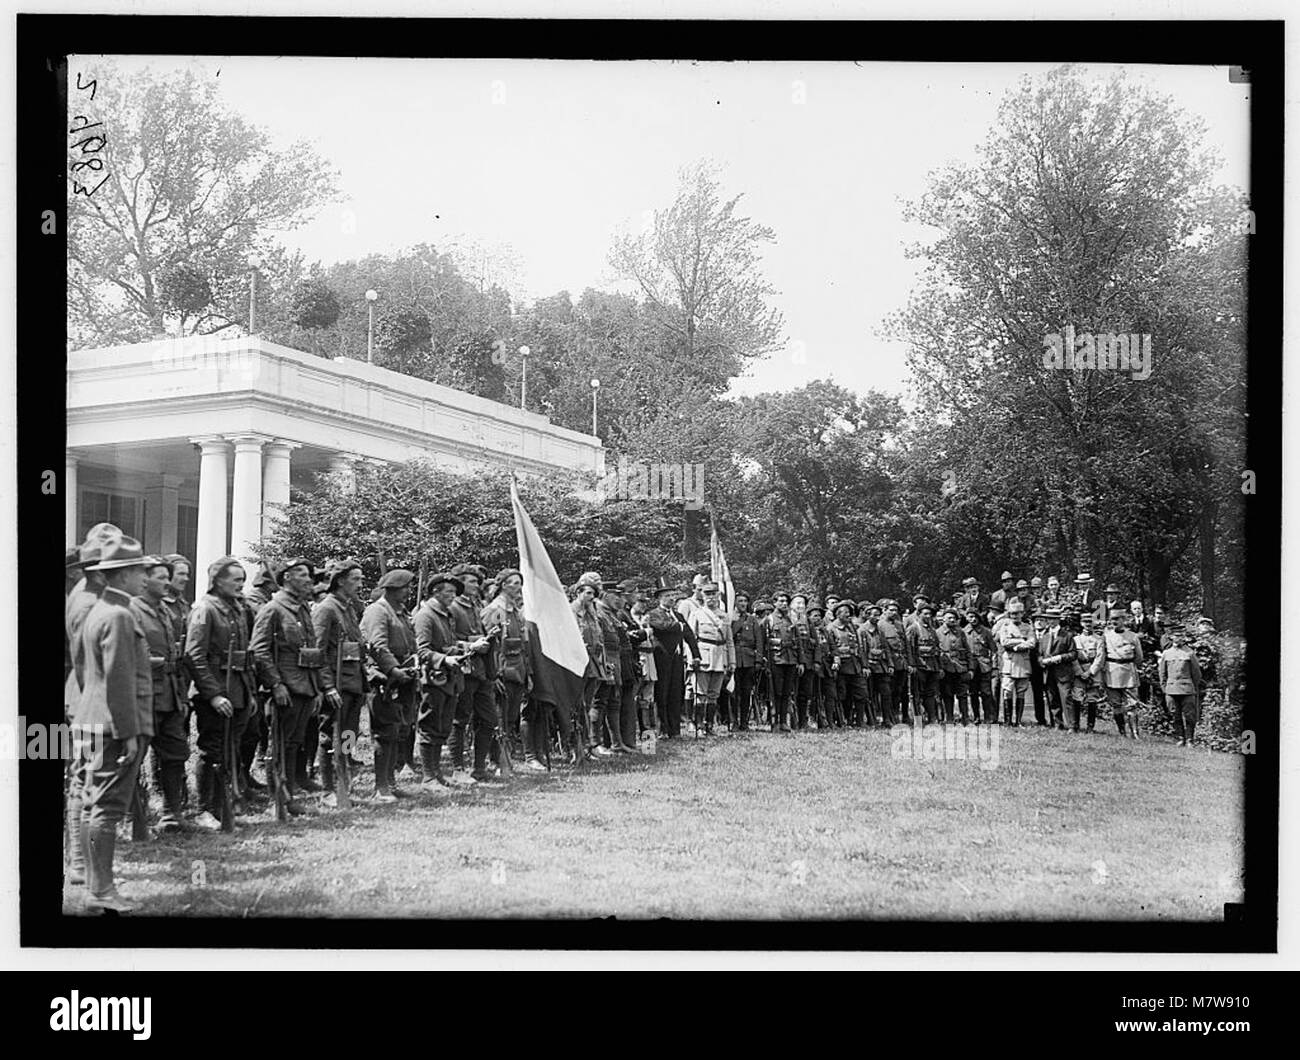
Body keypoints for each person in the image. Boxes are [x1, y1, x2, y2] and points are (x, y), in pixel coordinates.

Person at [73, 535, 157, 913]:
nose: (145, 575)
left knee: (94, 806)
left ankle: (97, 887)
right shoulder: (120, 615)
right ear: (120, 576)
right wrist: (129, 734)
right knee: (106, 809)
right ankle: (101, 891)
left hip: (91, 720)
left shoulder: (97, 611)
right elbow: (119, 681)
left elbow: (83, 671)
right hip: (114, 726)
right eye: (139, 569)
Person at [186, 555, 260, 827]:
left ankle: (222, 803)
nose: (241, 585)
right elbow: (194, 656)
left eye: (243, 580)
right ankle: (204, 809)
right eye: (235, 580)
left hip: (238, 689)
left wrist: (249, 694)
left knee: (232, 749)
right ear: (217, 581)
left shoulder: (238, 610)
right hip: (215, 692)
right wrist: (214, 694)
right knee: (212, 750)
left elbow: (245, 656)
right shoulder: (205, 610)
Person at [250, 557, 324, 807]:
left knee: (294, 743)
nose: (308, 579)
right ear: (286, 578)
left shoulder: (302, 609)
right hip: (286, 687)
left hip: (305, 685)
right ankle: (278, 795)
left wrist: (317, 687)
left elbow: (311, 649)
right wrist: (275, 684)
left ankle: (289, 790)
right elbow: (259, 651)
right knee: (280, 744)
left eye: (308, 574)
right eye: (302, 575)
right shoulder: (272, 609)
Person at [130, 556, 190, 832]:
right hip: (143, 695)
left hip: (170, 694)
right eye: (160, 577)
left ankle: (171, 813)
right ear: (144, 579)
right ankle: (133, 817)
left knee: (175, 754)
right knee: (134, 757)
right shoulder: (132, 610)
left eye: (168, 577)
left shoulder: (165, 611)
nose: (167, 582)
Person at [361, 569, 420, 801]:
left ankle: (391, 782)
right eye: (404, 587)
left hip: (404, 678)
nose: (408, 591)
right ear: (392, 589)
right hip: (384, 681)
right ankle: (380, 786)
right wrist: (394, 670)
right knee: (384, 733)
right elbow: (377, 645)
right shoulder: (378, 611)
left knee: (398, 731)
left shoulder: (401, 613)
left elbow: (411, 643)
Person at [312, 559, 367, 806]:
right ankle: (328, 789)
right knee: (329, 737)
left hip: (353, 682)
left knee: (348, 734)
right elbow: (318, 652)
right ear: (340, 581)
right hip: (335, 685)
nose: (360, 583)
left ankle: (343, 778)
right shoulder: (326, 609)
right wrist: (327, 686)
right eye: (355, 579)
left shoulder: (349, 609)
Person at [413, 571, 470, 790]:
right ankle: (428, 776)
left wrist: (462, 649)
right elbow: (422, 649)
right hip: (432, 679)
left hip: (448, 679)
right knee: (429, 726)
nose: (453, 596)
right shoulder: (426, 615)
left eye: (454, 592)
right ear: (435, 592)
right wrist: (445, 658)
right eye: (449, 592)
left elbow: (449, 641)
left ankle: (436, 773)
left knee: (442, 727)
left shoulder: (445, 615)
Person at [449, 563, 504, 782]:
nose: (476, 584)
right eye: (471, 581)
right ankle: (457, 768)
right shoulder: (453, 607)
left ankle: (479, 766)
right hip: (463, 669)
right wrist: (471, 644)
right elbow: (446, 641)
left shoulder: (475, 605)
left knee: (489, 719)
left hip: (481, 671)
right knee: (459, 720)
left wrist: (490, 636)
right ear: (459, 583)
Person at [481, 568, 531, 761]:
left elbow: (524, 645)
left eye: (520, 583)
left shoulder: (516, 612)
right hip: (501, 671)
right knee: (499, 718)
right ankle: (496, 758)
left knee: (510, 717)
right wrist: (494, 675)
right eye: (514, 583)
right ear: (503, 585)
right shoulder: (495, 611)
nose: (518, 587)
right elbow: (491, 645)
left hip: (517, 670)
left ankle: (506, 754)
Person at [647, 586, 697, 739]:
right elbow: (662, 627)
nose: (671, 598)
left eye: (673, 595)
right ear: (659, 598)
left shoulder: (678, 615)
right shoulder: (653, 614)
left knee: (676, 692)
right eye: (667, 595)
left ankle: (675, 730)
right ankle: (662, 729)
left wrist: (696, 655)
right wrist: (679, 626)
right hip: (661, 658)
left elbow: (689, 634)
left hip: (677, 659)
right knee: (662, 693)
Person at [686, 582, 735, 735]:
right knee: (700, 693)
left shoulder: (724, 615)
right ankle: (699, 726)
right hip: (703, 657)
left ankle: (709, 726)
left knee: (714, 694)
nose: (711, 598)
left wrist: (731, 661)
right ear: (703, 596)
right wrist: (691, 659)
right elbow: (690, 639)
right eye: (707, 594)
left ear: (718, 596)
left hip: (720, 658)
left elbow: (729, 641)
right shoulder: (697, 614)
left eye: (713, 594)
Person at [761, 591, 803, 733]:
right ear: (774, 603)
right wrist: (763, 661)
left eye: (786, 601)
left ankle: (784, 721)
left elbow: (798, 642)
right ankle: (775, 721)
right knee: (775, 692)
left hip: (790, 659)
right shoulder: (768, 620)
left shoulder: (791, 620)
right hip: (776, 660)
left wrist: (800, 661)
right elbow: (763, 643)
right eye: (781, 601)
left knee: (786, 692)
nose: (784, 604)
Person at [1158, 622, 1202, 747]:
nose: (1180, 638)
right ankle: (1180, 737)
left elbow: (1196, 674)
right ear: (1171, 637)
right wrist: (1165, 688)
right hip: (1171, 689)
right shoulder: (1167, 654)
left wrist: (1192, 687)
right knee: (1174, 714)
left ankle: (1189, 739)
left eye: (1182, 636)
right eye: (1177, 636)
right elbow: (1162, 674)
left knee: (1190, 715)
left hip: (1187, 689)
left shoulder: (1189, 653)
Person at [1103, 609, 1144, 738]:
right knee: (1116, 703)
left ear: (1124, 620)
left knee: (1132, 703)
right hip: (1112, 671)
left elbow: (1139, 657)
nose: (1114, 622)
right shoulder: (1106, 636)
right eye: (1112, 619)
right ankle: (1122, 732)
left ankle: (1135, 733)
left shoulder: (1132, 636)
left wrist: (1130, 665)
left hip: (1128, 671)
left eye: (1117, 619)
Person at [829, 601, 869, 726]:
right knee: (842, 695)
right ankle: (842, 719)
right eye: (846, 612)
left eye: (849, 613)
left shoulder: (851, 627)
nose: (849, 615)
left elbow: (859, 647)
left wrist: (864, 665)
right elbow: (830, 648)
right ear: (838, 614)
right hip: (841, 666)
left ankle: (859, 720)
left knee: (861, 693)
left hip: (855, 665)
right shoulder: (830, 628)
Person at [997, 599, 1035, 726]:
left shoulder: (1027, 627)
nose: (1015, 616)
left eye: (1018, 613)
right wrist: (1021, 640)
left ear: (1022, 613)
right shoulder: (1005, 627)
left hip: (1023, 663)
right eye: (1012, 613)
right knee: (1007, 691)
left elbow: (1032, 643)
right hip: (1009, 662)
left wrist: (1016, 644)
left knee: (1021, 691)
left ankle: (1018, 721)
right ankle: (1008, 721)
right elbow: (1004, 642)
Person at [1037, 608, 1075, 731]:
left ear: (1058, 620)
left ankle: (1072, 726)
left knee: (1066, 698)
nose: (1051, 621)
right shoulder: (1045, 636)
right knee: (1052, 698)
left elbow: (1073, 654)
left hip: (1063, 672)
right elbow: (1040, 654)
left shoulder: (1067, 635)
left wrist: (1059, 658)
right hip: (1048, 672)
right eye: (1049, 619)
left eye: (1053, 619)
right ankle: (1058, 724)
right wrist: (1042, 661)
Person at [1069, 611, 1106, 733]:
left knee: (1092, 699)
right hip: (1079, 672)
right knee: (1077, 698)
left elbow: (1100, 658)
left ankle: (1090, 727)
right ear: (1081, 623)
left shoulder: (1099, 639)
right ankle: (1075, 726)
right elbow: (1073, 658)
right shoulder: (1075, 639)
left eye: (1090, 622)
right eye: (1085, 622)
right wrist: (1080, 672)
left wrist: (1090, 672)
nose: (1088, 624)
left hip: (1093, 672)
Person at [729, 593, 761, 731]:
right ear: (734, 602)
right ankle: (733, 721)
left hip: (749, 660)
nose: (743, 603)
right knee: (733, 692)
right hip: (734, 658)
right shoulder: (730, 618)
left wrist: (758, 660)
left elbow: (759, 641)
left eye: (745, 601)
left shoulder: (752, 619)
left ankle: (744, 722)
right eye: (740, 601)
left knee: (746, 692)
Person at [935, 607, 971, 725]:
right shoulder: (938, 633)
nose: (952, 620)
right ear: (943, 619)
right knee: (947, 694)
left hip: (961, 667)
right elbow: (936, 652)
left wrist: (970, 668)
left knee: (962, 694)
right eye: (949, 618)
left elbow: (968, 651)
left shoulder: (961, 632)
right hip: (946, 668)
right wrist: (940, 668)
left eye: (954, 618)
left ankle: (965, 718)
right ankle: (949, 718)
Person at [907, 604, 942, 724]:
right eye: (925, 614)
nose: (928, 616)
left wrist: (939, 666)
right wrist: (911, 665)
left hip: (932, 666)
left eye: (930, 614)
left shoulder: (932, 630)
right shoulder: (913, 628)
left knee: (930, 693)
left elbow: (937, 649)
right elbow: (910, 648)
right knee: (916, 694)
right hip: (919, 666)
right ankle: (918, 720)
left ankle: (932, 718)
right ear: (919, 614)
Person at [878, 600, 911, 724]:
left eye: (895, 610)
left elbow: (905, 644)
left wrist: (909, 662)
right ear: (884, 610)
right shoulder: (880, 625)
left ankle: (897, 714)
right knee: (889, 691)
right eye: (890, 610)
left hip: (901, 662)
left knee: (900, 690)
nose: (893, 612)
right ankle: (888, 716)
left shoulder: (899, 624)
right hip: (889, 663)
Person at [964, 610, 997, 724]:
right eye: (970, 617)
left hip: (984, 665)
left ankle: (988, 717)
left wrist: (993, 666)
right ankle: (976, 716)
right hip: (971, 666)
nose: (973, 619)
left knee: (986, 692)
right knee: (973, 692)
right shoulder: (964, 632)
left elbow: (994, 650)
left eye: (975, 617)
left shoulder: (986, 632)